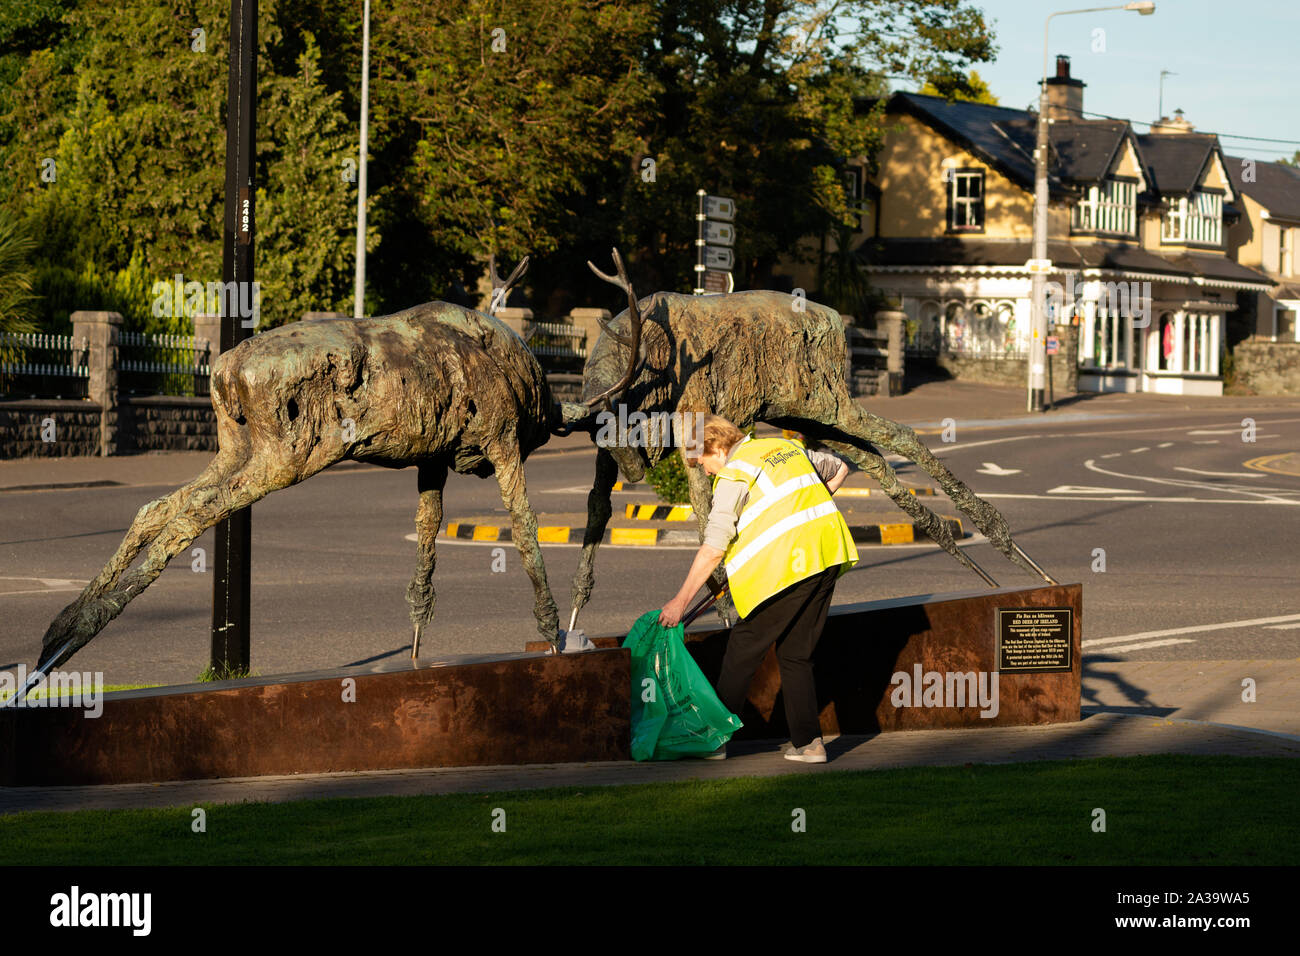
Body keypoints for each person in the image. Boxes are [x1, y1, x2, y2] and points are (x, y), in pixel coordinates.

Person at [657, 414, 858, 763]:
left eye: (701, 461)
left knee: (741, 651)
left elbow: (713, 549)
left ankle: (714, 740)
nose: (703, 471)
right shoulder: (783, 447)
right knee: (795, 654)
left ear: (717, 448)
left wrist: (679, 601)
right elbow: (838, 467)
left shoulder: (733, 475)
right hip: (827, 556)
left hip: (789, 568)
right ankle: (809, 744)